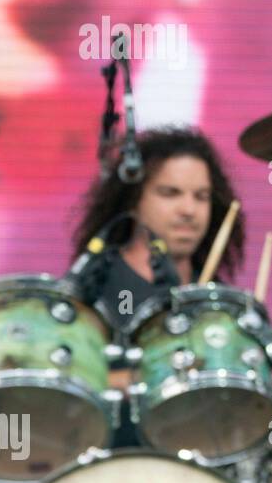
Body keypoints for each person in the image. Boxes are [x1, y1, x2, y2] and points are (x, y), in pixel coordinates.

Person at [70, 125, 245, 446]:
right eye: (170, 193)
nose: (189, 210)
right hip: (117, 463)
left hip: (202, 461)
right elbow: (65, 385)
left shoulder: (214, 300)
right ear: (134, 200)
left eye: (201, 197)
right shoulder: (94, 286)